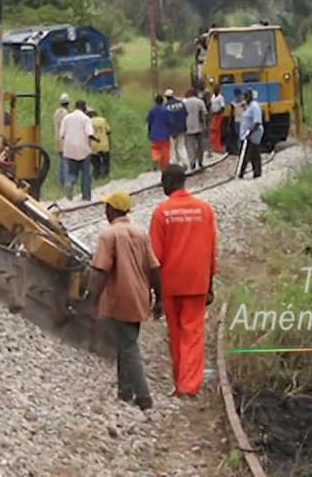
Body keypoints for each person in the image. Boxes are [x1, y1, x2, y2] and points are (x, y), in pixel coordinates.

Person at [89, 191, 162, 411]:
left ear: (113, 210)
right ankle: (125, 391)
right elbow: (155, 268)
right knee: (125, 341)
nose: (105, 211)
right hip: (140, 296)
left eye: (107, 207)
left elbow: (100, 271)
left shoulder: (108, 235)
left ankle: (144, 397)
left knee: (128, 346)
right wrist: (159, 298)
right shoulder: (140, 233)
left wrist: (91, 299)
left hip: (119, 297)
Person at [149, 165, 218, 398]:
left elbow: (154, 257)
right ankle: (188, 385)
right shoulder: (204, 210)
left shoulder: (161, 212)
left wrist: (156, 294)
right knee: (193, 332)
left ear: (168, 181)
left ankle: (181, 382)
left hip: (170, 282)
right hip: (197, 281)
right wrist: (210, 283)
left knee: (176, 333)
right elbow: (211, 249)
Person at [59, 100, 97, 201]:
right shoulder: (86, 119)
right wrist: (96, 139)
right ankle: (86, 196)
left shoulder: (66, 118)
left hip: (69, 149)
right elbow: (89, 133)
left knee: (72, 172)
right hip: (83, 149)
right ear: (84, 108)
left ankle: (69, 183)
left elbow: (62, 135)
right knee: (85, 174)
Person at [239, 90, 264, 179]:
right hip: (247, 135)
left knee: (248, 154)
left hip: (253, 135)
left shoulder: (255, 107)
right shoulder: (248, 106)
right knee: (254, 154)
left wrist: (249, 132)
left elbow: (257, 122)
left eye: (246, 97)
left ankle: (241, 172)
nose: (245, 99)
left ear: (250, 97)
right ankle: (257, 172)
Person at [146, 93, 174, 171]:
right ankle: (164, 166)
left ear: (155, 101)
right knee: (165, 150)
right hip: (165, 134)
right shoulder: (166, 110)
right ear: (162, 101)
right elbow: (170, 122)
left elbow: (149, 122)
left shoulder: (152, 110)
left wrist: (149, 133)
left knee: (155, 148)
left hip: (154, 134)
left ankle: (156, 158)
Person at [182, 88, 208, 170]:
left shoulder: (184, 102)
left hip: (188, 126)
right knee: (200, 145)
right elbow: (204, 113)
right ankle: (200, 161)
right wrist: (205, 125)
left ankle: (192, 162)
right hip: (199, 126)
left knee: (190, 145)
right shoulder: (200, 102)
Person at [164, 89, 188, 167]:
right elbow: (186, 114)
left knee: (172, 148)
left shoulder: (166, 106)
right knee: (181, 146)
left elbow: (167, 119)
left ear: (167, 97)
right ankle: (185, 163)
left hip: (172, 130)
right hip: (182, 129)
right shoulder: (181, 103)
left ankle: (174, 164)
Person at [53, 94, 71, 193]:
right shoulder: (67, 114)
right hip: (65, 140)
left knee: (60, 162)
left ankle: (59, 182)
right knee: (66, 163)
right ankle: (66, 184)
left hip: (58, 140)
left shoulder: (56, 113)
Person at [88, 106, 112, 179]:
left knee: (96, 163)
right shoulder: (103, 120)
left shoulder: (88, 122)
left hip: (93, 145)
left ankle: (96, 175)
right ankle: (105, 175)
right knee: (106, 161)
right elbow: (108, 131)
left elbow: (88, 134)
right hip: (104, 144)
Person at [209, 89, 226, 154]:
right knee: (213, 130)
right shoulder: (213, 96)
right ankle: (214, 146)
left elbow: (222, 107)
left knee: (217, 130)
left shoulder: (220, 97)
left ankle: (218, 146)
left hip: (218, 115)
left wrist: (217, 112)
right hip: (213, 114)